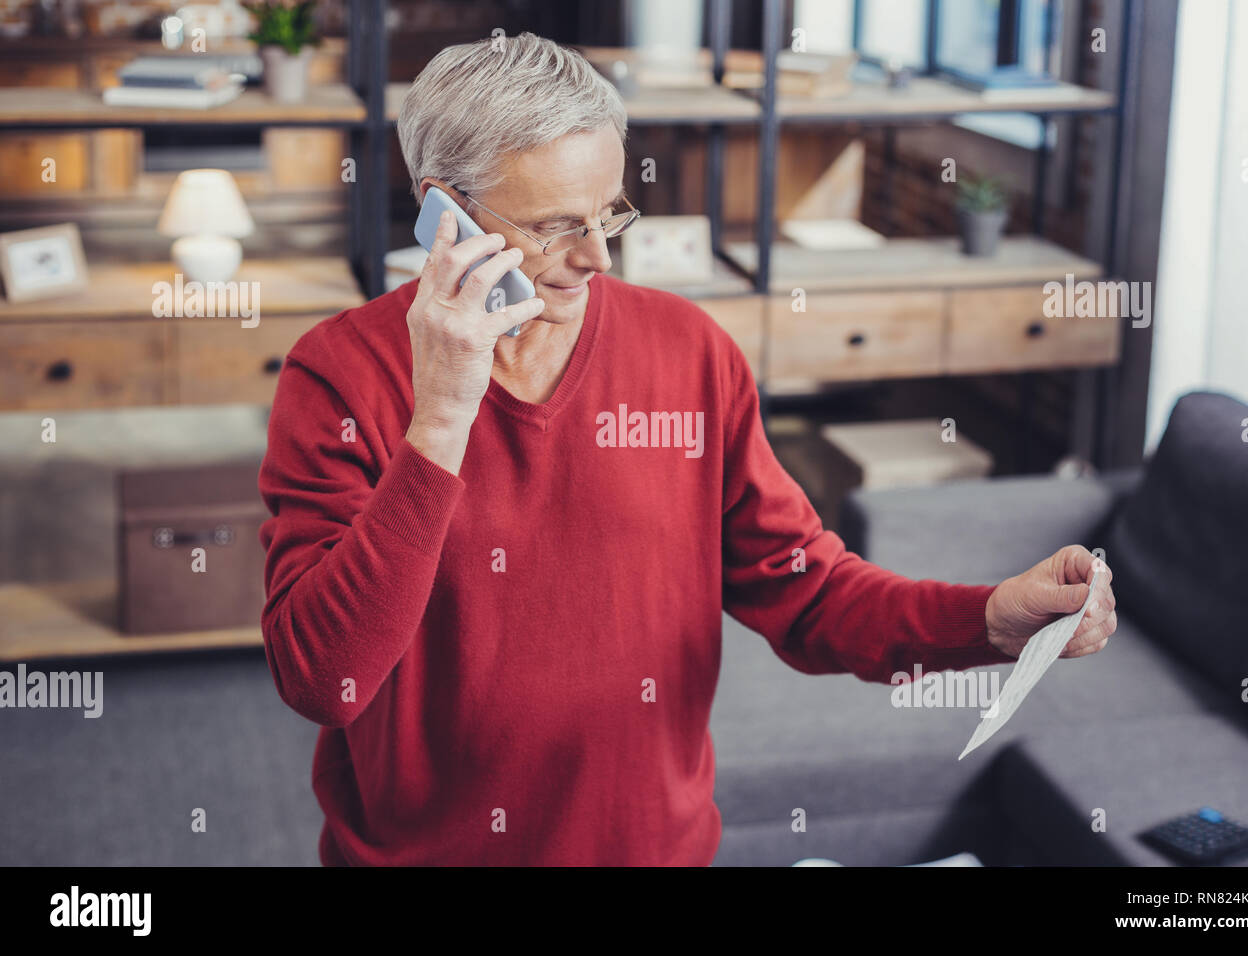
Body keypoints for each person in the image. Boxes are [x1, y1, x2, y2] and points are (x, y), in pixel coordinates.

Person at [258, 32, 1117, 866]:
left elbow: (807, 593)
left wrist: (986, 619)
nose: (597, 255)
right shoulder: (338, 377)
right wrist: (442, 413)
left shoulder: (689, 352)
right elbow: (322, 677)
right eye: (557, 226)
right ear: (443, 208)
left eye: (609, 212)